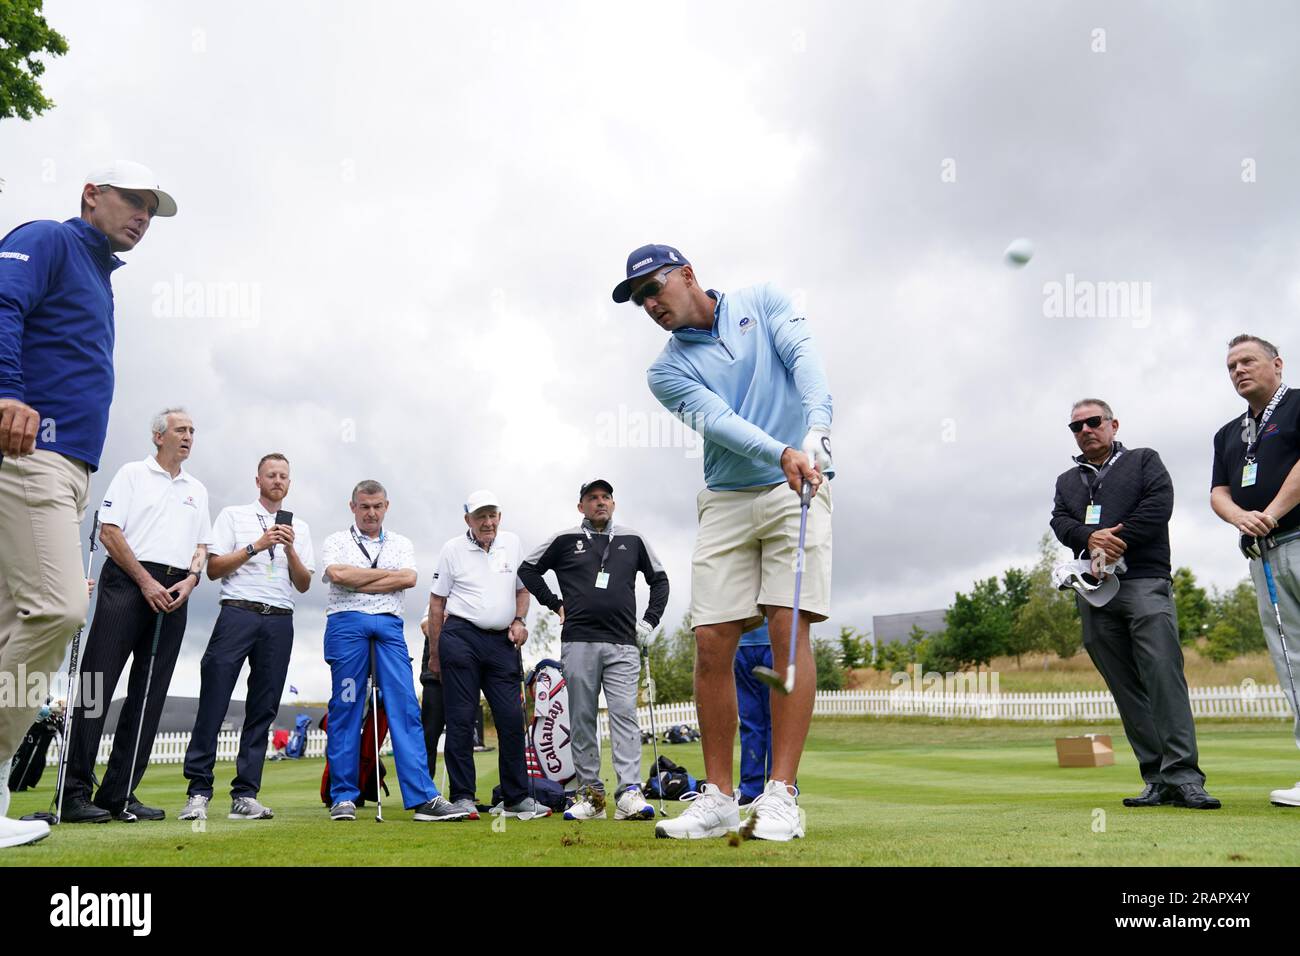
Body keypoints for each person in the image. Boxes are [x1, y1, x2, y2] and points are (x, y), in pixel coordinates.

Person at [613, 244, 833, 841]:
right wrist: (783, 450)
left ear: (688, 274)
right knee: (711, 640)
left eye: (654, 288)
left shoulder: (763, 301)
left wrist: (816, 427)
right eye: (639, 300)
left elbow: (804, 357)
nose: (650, 304)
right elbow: (718, 422)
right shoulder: (665, 371)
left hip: (797, 489)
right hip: (729, 497)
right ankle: (718, 798)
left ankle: (781, 795)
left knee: (788, 633)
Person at [0, 160, 176, 847]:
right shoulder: (47, 238)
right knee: (58, 608)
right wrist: (8, 393)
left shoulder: (101, 276)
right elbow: (3, 301)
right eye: (131, 200)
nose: (141, 215)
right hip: (27, 450)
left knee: (17, 621)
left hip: (66, 468)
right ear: (91, 196)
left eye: (150, 209)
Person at [1051, 399, 1218, 810]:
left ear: (1112, 424)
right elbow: (1059, 521)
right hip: (1094, 591)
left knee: (1162, 677)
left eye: (1094, 422)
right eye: (1076, 426)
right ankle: (1157, 777)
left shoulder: (1144, 460)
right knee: (1126, 688)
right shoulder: (1067, 480)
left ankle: (1185, 777)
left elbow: (1159, 506)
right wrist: (1089, 538)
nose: (1086, 430)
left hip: (1144, 580)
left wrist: (1116, 538)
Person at [61, 408, 212, 822]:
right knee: (97, 685)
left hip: (175, 591)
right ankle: (73, 793)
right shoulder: (131, 473)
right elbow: (110, 531)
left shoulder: (197, 489)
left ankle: (119, 794)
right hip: (127, 583)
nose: (188, 436)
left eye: (192, 431)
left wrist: (193, 579)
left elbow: (202, 545)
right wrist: (146, 582)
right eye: (181, 429)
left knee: (148, 696)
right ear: (158, 436)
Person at [518, 478, 669, 821]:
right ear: (581, 506)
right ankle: (591, 796)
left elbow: (660, 580)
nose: (600, 502)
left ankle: (629, 792)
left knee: (624, 717)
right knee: (583, 720)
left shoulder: (633, 539)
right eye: (592, 498)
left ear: (613, 503)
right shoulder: (565, 539)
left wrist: (649, 621)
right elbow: (528, 568)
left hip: (623, 644)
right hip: (578, 641)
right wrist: (555, 604)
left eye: (606, 497)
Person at [179, 453, 315, 821]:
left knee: (263, 708)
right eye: (270, 474)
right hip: (238, 612)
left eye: (283, 475)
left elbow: (303, 585)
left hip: (279, 620)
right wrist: (257, 544)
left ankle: (245, 795)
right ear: (258, 480)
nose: (277, 480)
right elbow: (214, 568)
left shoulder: (299, 527)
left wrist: (287, 548)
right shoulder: (233, 516)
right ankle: (198, 793)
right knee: (214, 700)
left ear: (289, 482)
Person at [319, 480, 464, 822]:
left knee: (404, 706)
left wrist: (360, 578)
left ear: (386, 506)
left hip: (388, 624)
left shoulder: (400, 542)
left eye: (377, 506)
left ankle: (423, 797)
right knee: (347, 705)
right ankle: (343, 796)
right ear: (352, 506)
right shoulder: (337, 541)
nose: (371, 512)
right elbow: (336, 573)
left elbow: (409, 579)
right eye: (364, 506)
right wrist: (384, 576)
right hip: (346, 624)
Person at [1210, 335, 1300, 806]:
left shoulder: (1298, 406)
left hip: (1297, 538)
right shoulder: (1228, 433)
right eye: (1230, 366)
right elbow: (1218, 491)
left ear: (1277, 364)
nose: (1238, 370)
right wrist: (1239, 517)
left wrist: (1272, 509)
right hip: (1264, 554)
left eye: (1247, 361)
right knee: (1294, 664)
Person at [427, 490, 550, 819]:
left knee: (511, 719)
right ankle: (463, 796)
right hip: (461, 637)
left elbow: (522, 590)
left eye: (492, 515)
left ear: (500, 517)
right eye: (480, 516)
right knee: (462, 720)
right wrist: (435, 654)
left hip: (500, 642)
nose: (488, 522)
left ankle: (515, 797)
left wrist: (520, 620)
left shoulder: (512, 543)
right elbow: (437, 602)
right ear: (468, 520)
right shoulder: (452, 549)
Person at [734, 622, 773, 806]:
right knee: (750, 721)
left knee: (778, 721)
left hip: (775, 641)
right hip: (740, 643)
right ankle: (750, 790)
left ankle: (780, 785)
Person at [418, 606, 445, 785]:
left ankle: (463, 793)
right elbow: (427, 626)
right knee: (429, 736)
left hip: (465, 676)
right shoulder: (438, 595)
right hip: (433, 678)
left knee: (461, 737)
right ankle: (424, 790)